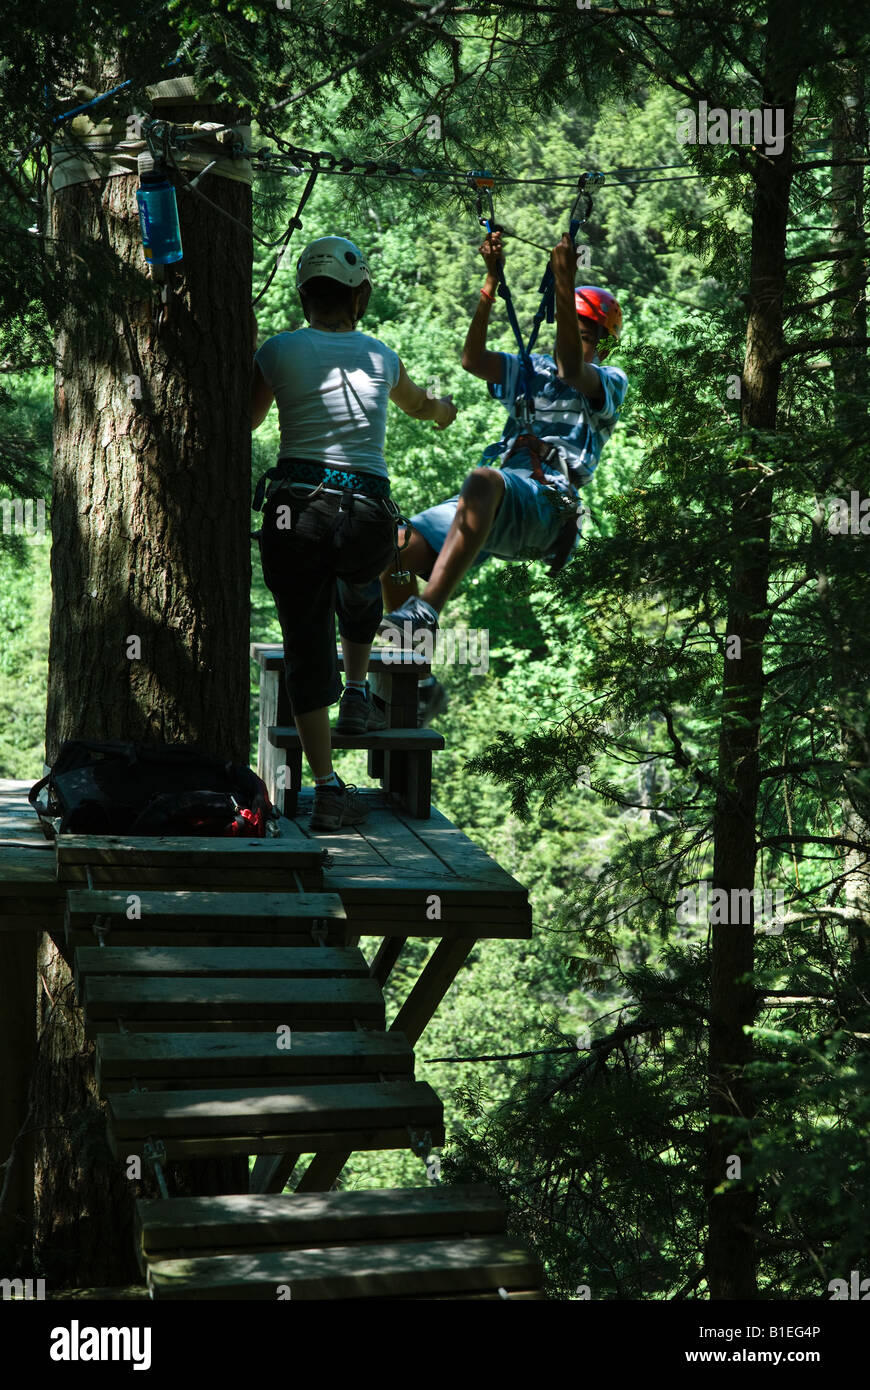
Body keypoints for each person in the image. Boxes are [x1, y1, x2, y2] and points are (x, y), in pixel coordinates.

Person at [379, 229, 628, 726]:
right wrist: (489, 285)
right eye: (568, 326)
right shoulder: (529, 369)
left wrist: (563, 289)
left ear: (600, 343)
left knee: (484, 479)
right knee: (396, 546)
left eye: (582, 331)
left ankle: (425, 611)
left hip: (547, 506)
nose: (572, 338)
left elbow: (570, 366)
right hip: (498, 500)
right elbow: (473, 361)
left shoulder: (609, 383)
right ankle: (419, 677)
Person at [251, 235, 457, 830]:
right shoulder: (382, 356)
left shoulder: (278, 350)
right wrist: (443, 409)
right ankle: (361, 689)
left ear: (303, 296)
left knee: (305, 642)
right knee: (366, 569)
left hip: (296, 512)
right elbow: (421, 406)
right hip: (367, 513)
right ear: (359, 296)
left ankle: (327, 787)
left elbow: (250, 417)